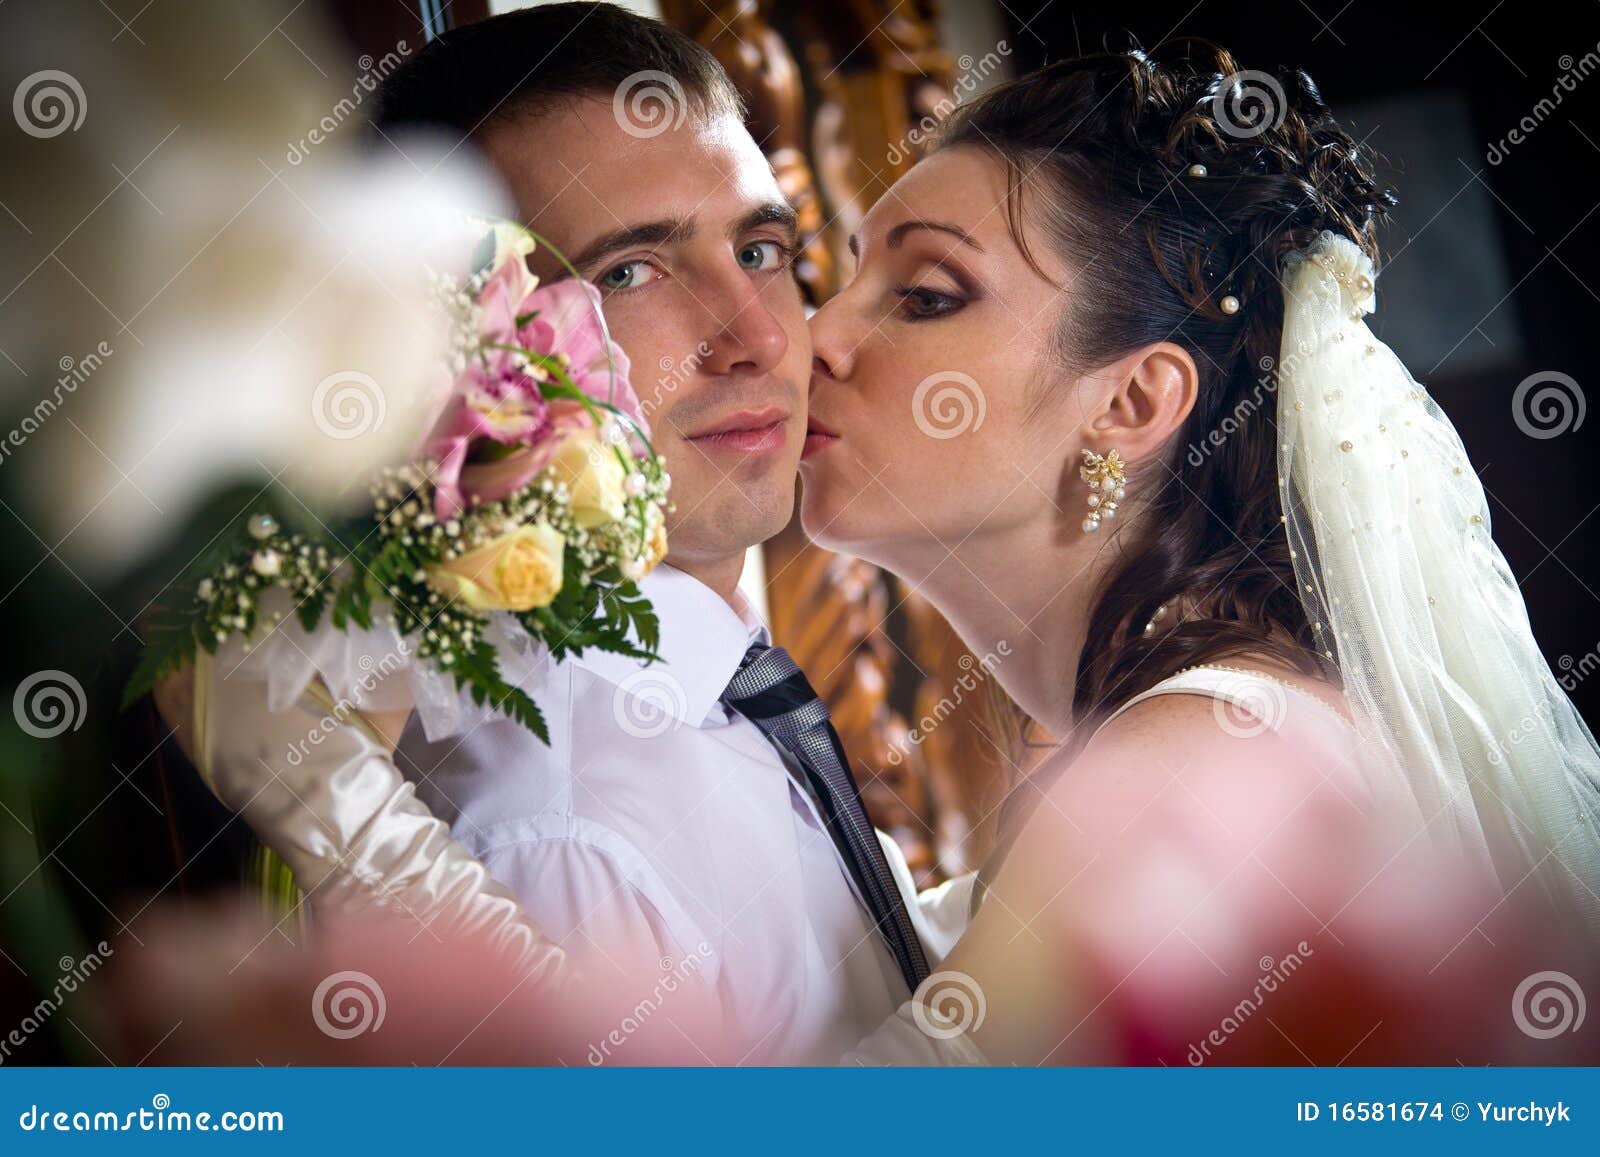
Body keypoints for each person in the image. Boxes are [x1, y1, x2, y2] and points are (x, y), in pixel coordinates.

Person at [161, 3, 968, 1067]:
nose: (758, 335)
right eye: (631, 271)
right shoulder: (566, 832)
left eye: (762, 248)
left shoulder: (725, 701)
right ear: (464, 358)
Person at [807, 43, 1600, 1063]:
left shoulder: (1194, 768)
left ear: (1132, 402)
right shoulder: (1231, 727)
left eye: (925, 294)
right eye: (835, 278)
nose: (819, 334)